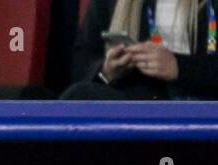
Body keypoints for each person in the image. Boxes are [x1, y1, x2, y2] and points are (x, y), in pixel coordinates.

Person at [63, 0, 218, 99]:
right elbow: (82, 63)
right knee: (45, 96)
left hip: (196, 108)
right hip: (129, 102)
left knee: (79, 95)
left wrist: (179, 68)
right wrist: (106, 72)